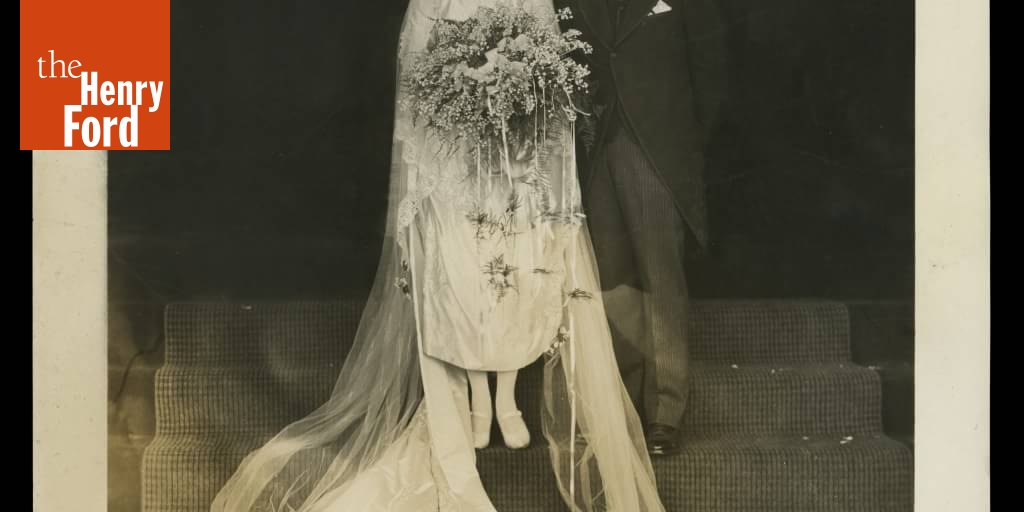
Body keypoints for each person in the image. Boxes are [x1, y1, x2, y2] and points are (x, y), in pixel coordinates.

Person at [209, 0, 666, 510]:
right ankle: (475, 399)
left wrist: (523, 122)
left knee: (511, 271)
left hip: (512, 163)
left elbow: (552, 79)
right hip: (453, 162)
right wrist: (433, 154)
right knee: (461, 277)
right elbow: (415, 81)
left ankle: (505, 398)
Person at [555, 0, 728, 455]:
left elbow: (711, 75)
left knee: (660, 275)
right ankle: (625, 405)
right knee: (612, 278)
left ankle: (665, 414)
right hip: (596, 154)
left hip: (657, 154)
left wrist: (677, 150)